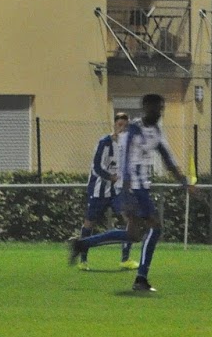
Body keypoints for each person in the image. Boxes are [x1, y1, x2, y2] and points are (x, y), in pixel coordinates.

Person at [71, 93, 193, 292]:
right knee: (155, 227)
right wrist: (126, 193)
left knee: (133, 234)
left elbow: (167, 159)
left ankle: (82, 244)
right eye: (154, 108)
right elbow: (125, 161)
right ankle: (141, 278)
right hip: (132, 188)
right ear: (145, 108)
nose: (158, 112)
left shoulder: (156, 131)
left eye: (160, 109)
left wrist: (185, 182)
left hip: (140, 187)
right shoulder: (133, 130)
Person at [70, 112, 135, 271]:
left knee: (130, 219)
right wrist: (110, 177)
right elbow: (96, 167)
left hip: (117, 191)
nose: (122, 129)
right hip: (99, 189)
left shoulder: (127, 146)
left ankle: (125, 259)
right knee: (89, 222)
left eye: (125, 126)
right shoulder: (104, 142)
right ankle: (83, 260)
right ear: (114, 125)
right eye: (120, 125)